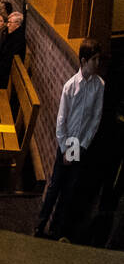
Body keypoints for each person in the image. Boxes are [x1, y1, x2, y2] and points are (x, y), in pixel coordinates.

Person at [35, 40, 105, 240]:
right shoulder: (70, 86)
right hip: (66, 144)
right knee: (55, 186)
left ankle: (57, 230)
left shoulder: (99, 86)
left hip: (80, 145)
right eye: (94, 59)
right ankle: (40, 226)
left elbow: (95, 119)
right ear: (83, 60)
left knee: (69, 190)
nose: (97, 63)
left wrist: (81, 146)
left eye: (98, 59)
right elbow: (61, 119)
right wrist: (66, 148)